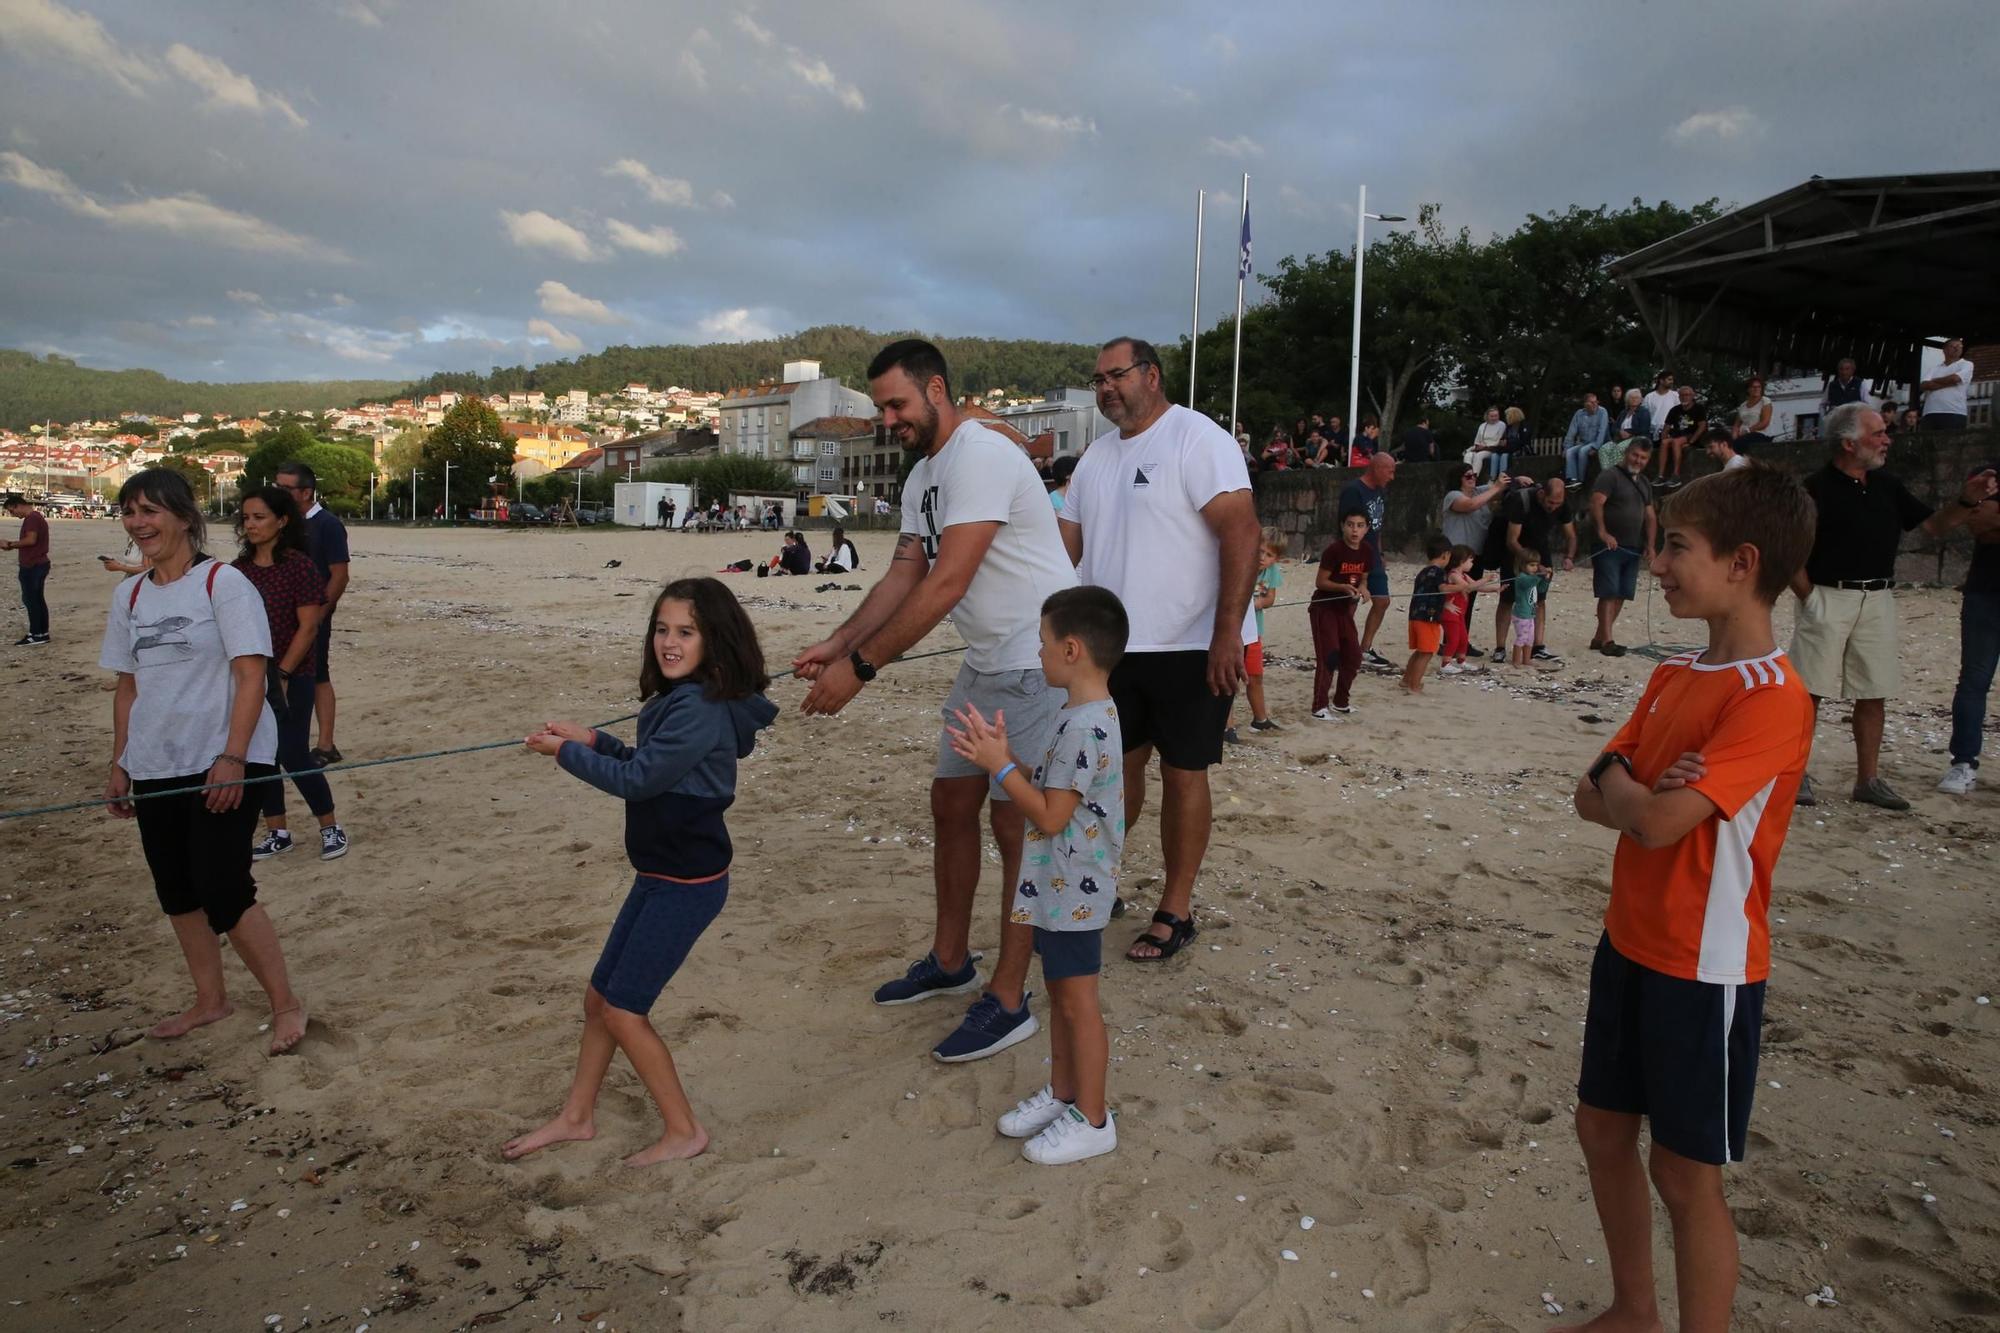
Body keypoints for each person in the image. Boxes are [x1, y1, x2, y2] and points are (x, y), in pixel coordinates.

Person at [1561, 464, 1818, 1333]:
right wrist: (1634, 795)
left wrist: (1633, 796)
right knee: (1601, 1131)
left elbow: (1657, 818)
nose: (1656, 562)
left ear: (1742, 562)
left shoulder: (1774, 697)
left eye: (1674, 544)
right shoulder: (1675, 673)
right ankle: (1634, 1309)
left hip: (1703, 968)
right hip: (1626, 941)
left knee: (1684, 1174)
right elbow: (1587, 791)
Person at [798, 339, 1076, 1061]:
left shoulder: (979, 454)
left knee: (1020, 827)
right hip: (986, 664)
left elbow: (948, 583)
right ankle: (951, 959)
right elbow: (902, 574)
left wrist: (861, 668)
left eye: (898, 403)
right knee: (951, 803)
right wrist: (838, 640)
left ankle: (1010, 998)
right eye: (881, 407)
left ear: (937, 390)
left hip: (1039, 662)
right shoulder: (925, 470)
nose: (889, 418)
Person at [507, 577, 777, 1166]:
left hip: (688, 884)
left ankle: (684, 1131)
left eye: (685, 632)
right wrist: (595, 740)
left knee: (625, 1010)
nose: (669, 644)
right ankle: (577, 1117)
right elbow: (645, 764)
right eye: (662, 630)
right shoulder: (680, 701)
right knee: (599, 998)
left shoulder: (702, 707)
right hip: (659, 874)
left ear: (716, 641)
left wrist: (566, 755)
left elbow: (639, 782)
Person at [1058, 336, 1258, 963]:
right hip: (1113, 649)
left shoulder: (1197, 438)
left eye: (1115, 376)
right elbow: (1063, 551)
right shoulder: (1093, 459)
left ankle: (1176, 905)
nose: (1105, 389)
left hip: (1191, 643)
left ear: (1152, 374)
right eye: (1097, 381)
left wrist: (1228, 633)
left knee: (1183, 772)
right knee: (1116, 773)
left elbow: (1243, 534)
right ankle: (1104, 879)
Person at [97, 468, 306, 1056]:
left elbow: (250, 673)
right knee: (177, 889)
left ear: (185, 517)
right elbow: (127, 687)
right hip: (156, 763)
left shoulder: (223, 584)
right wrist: (120, 763)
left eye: (150, 511)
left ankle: (286, 1004)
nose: (138, 523)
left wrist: (233, 757)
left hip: (226, 758)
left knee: (223, 884)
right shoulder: (130, 594)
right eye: (130, 512)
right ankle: (210, 1001)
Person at [946, 586, 1128, 1165]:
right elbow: (1054, 791)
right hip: (1057, 885)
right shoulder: (1080, 714)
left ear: (1071, 649)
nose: (1039, 651)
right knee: (1058, 995)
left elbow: (1049, 816)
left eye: (1043, 642)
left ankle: (1094, 1119)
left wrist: (999, 768)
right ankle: (1067, 1094)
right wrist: (1006, 758)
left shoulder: (1083, 725)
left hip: (1074, 888)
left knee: (1078, 1003)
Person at [1790, 403, 1995, 809]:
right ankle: (1794, 774)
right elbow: (1789, 547)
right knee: (1808, 692)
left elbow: (1934, 526)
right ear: (1849, 443)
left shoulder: (1887, 484)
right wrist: (1808, 596)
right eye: (1879, 433)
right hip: (1828, 596)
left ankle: (1868, 780)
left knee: (1873, 690)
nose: (1888, 439)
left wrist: (1967, 501)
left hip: (1879, 598)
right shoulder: (1814, 489)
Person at [233, 486, 347, 863]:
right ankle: (277, 831)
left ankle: (330, 826)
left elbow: (309, 626)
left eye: (259, 517)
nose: (251, 525)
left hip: (293, 674)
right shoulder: (238, 571)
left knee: (292, 752)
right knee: (258, 756)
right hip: (249, 676)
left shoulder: (299, 566)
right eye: (246, 517)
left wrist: (282, 672)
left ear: (282, 521)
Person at [274, 463, 349, 768]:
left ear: (305, 492)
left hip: (312, 615)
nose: (277, 493)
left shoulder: (327, 525)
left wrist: (319, 615)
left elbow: (340, 575)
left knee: (318, 676)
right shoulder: (285, 524)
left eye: (285, 489)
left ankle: (326, 744)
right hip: (285, 614)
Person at [1940, 460, 2000, 794]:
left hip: (1984, 590)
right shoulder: (1989, 472)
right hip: (1985, 591)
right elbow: (1977, 522)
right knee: (1974, 680)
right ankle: (1963, 762)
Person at [1589, 437, 1658, 657]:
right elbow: (1596, 502)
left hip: (1632, 546)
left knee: (1622, 593)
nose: (1638, 460)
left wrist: (1651, 544)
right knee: (1608, 592)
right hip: (1608, 545)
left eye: (1643, 458)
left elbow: (1650, 515)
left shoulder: (1644, 483)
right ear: (1627, 453)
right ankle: (1608, 640)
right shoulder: (1609, 476)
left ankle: (1600, 637)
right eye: (1635, 455)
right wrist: (1602, 532)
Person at [1502, 479, 1576, 663]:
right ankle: (1500, 647)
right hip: (1517, 553)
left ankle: (1538, 645)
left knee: (1540, 599)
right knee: (1507, 599)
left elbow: (1571, 535)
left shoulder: (1562, 505)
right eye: (1551, 502)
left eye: (1558, 504)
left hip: (1541, 550)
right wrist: (1532, 563)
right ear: (1542, 494)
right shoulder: (1522, 501)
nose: (1554, 507)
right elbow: (1512, 540)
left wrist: (1569, 557)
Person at [1338, 452, 1397, 669]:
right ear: (1377, 468)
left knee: (1382, 600)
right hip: (1354, 554)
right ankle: (1344, 648)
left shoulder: (1380, 491)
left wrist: (1379, 553)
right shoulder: (1354, 491)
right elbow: (1347, 527)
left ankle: (1364, 648)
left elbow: (1377, 525)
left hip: (1372, 554)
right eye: (1389, 471)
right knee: (1350, 603)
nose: (1392, 477)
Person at [1310, 512, 1372, 718]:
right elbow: (1321, 582)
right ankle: (1319, 707)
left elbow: (1363, 577)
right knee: (1329, 655)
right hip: (1324, 607)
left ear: (1367, 529)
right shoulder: (1334, 550)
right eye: (1350, 525)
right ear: (1342, 526)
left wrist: (1364, 588)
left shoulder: (1367, 551)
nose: (1355, 530)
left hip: (1345, 610)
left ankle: (1341, 701)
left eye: (1360, 525)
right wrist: (1342, 587)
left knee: (1353, 656)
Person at [1442, 465, 1510, 634]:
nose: (1472, 478)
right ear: (1459, 479)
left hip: (1475, 556)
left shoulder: (1480, 491)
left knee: (1469, 598)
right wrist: (1495, 488)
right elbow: (1470, 505)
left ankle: (1462, 638)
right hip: (1456, 556)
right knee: (1455, 597)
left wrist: (1517, 479)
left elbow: (1503, 485)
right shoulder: (1453, 496)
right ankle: (1450, 640)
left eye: (1474, 475)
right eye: (1468, 476)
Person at [1401, 534, 1451, 692]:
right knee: (1427, 653)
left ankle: (1406, 680)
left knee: (1420, 652)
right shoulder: (1439, 572)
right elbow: (1443, 589)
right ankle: (1415, 685)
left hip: (1415, 617)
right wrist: (1464, 587)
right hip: (1428, 619)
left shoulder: (1423, 572)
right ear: (1445, 554)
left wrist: (1445, 604)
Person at [1246, 531, 1284, 732]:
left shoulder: (1272, 572)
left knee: (1255, 676)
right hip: (1233, 633)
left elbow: (1270, 598)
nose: (1262, 557)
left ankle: (1260, 720)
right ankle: (1227, 726)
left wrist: (1258, 603)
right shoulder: (1242, 563)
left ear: (1276, 559)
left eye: (1269, 555)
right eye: (1260, 551)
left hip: (1255, 632)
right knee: (1230, 681)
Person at [1438, 545, 1497, 675]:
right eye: (1470, 560)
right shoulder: (1453, 575)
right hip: (1450, 613)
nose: (1472, 563)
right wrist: (1486, 578)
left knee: (1463, 638)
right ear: (1461, 561)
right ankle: (1445, 663)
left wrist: (1495, 589)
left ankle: (1461, 661)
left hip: (1460, 614)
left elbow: (1478, 587)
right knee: (1453, 639)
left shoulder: (1463, 575)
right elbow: (1469, 588)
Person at [3, 492, 51, 646]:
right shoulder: (36, 517)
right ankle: (42, 633)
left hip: (33, 565)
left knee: (32, 600)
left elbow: (31, 540)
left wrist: (10, 545)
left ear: (18, 505)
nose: (12, 514)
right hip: (38, 564)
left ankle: (36, 634)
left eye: (12, 511)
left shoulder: (32, 519)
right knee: (37, 600)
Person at [1919, 337, 1974, 432]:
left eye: (1959, 346)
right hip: (1930, 412)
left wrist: (1934, 381)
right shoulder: (1934, 368)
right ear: (1944, 350)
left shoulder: (1966, 364)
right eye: (1953, 346)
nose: (1957, 348)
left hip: (1954, 412)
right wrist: (1949, 382)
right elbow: (1924, 385)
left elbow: (1955, 378)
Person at [1657, 385, 1706, 483]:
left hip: (1692, 436)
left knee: (1676, 442)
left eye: (1687, 395)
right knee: (1664, 443)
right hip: (1678, 435)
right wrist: (1664, 438)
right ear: (1679, 397)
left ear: (1692, 396)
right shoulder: (1675, 410)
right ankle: (1660, 475)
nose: (1685, 397)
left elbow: (1702, 426)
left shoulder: (1699, 408)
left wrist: (1691, 442)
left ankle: (1676, 475)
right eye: (1682, 395)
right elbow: (1666, 428)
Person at [1508, 551, 1548, 668]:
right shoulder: (1522, 578)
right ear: (1522, 565)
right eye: (1531, 565)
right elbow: (1528, 583)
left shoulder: (1532, 577)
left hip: (1530, 614)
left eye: (1536, 565)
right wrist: (1540, 575)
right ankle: (1516, 660)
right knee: (1522, 637)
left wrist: (1545, 579)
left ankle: (1526, 659)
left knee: (1530, 638)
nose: (1535, 568)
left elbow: (1540, 589)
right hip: (1521, 614)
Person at [1562, 393, 1611, 485]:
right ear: (1585, 404)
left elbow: (1602, 432)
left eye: (1596, 402)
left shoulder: (1602, 412)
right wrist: (1566, 447)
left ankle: (1581, 480)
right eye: (1591, 402)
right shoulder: (1579, 414)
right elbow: (1571, 432)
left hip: (1597, 442)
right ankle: (1572, 479)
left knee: (1583, 451)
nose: (1595, 404)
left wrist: (1596, 447)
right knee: (1569, 452)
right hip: (1584, 442)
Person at [1734, 377, 1773, 446]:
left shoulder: (1765, 401)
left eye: (1758, 387)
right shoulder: (1742, 406)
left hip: (1759, 434)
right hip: (1743, 436)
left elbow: (1765, 422)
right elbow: (1737, 425)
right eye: (1753, 387)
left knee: (1742, 443)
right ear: (1748, 389)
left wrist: (1748, 430)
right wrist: (1734, 437)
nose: (1756, 389)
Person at [1470, 407, 1507, 480]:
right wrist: (1478, 446)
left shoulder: (1502, 425)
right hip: (1481, 448)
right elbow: (1477, 441)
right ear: (1487, 416)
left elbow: (1499, 442)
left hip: (1492, 450)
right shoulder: (1482, 425)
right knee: (1468, 456)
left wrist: (1484, 447)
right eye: (1492, 416)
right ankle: (1466, 477)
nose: (1494, 418)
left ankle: (1474, 478)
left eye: (1496, 416)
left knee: (1479, 456)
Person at [1642, 371, 1679, 444]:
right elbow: (1645, 415)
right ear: (1661, 381)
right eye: (1669, 379)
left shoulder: (1676, 396)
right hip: (1652, 432)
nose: (1672, 382)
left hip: (1670, 431)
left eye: (1672, 379)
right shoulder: (1649, 397)